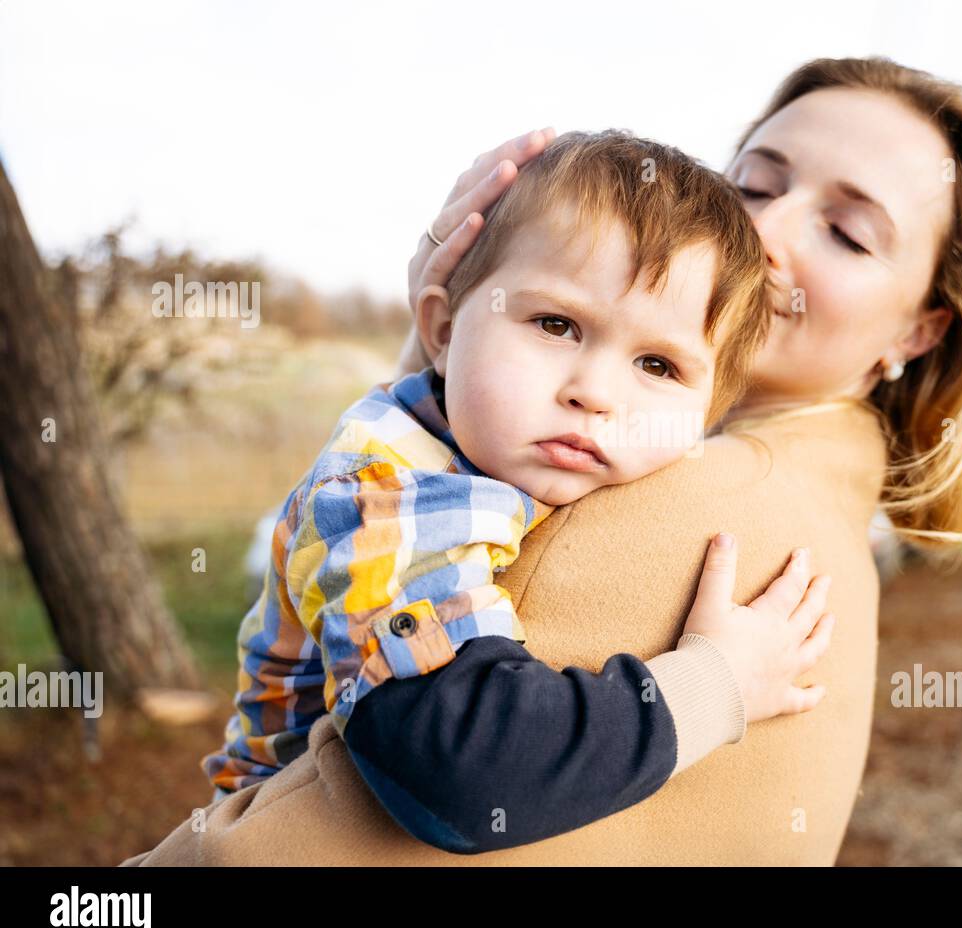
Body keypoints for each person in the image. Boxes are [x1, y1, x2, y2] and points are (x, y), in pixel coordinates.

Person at [123, 55, 962, 866]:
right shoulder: (771, 481)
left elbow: (460, 770)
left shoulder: (719, 500)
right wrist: (456, 344)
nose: (767, 233)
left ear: (919, 329)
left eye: (847, 231)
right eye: (753, 184)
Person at [199, 131, 835, 852]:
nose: (594, 392)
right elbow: (466, 769)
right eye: (555, 325)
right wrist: (713, 686)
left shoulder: (484, 451)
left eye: (658, 365)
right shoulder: (392, 497)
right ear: (441, 328)